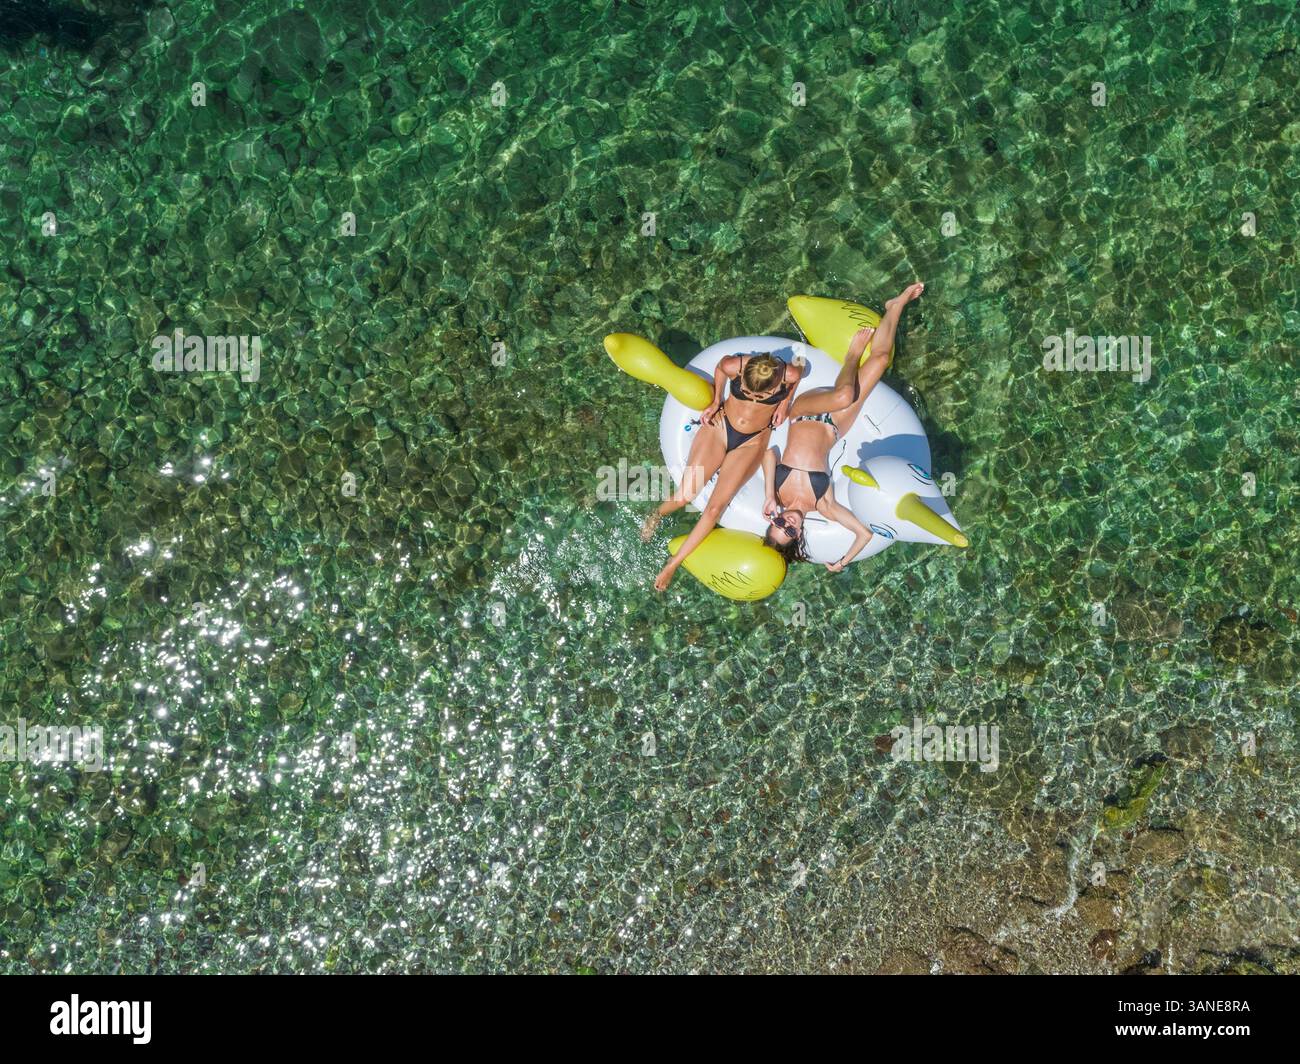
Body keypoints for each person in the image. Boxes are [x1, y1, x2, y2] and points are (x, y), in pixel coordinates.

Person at [763, 281, 925, 571]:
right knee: (880, 360)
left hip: (803, 411)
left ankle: (852, 354)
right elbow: (864, 532)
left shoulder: (777, 495)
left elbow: (769, 456)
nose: (786, 523)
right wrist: (842, 562)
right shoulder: (823, 505)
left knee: (844, 395)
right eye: (788, 531)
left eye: (778, 523)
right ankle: (895, 306)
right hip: (837, 424)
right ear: (798, 535)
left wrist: (767, 496)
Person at [645, 350, 802, 591]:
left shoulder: (786, 374)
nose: (750, 397)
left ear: (772, 389)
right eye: (745, 391)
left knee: (715, 509)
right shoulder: (734, 365)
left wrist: (784, 402)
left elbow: (796, 374)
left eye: (759, 395)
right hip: (721, 427)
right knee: (684, 496)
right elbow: (720, 368)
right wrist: (718, 398)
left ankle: (673, 563)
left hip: (752, 441)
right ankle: (656, 515)